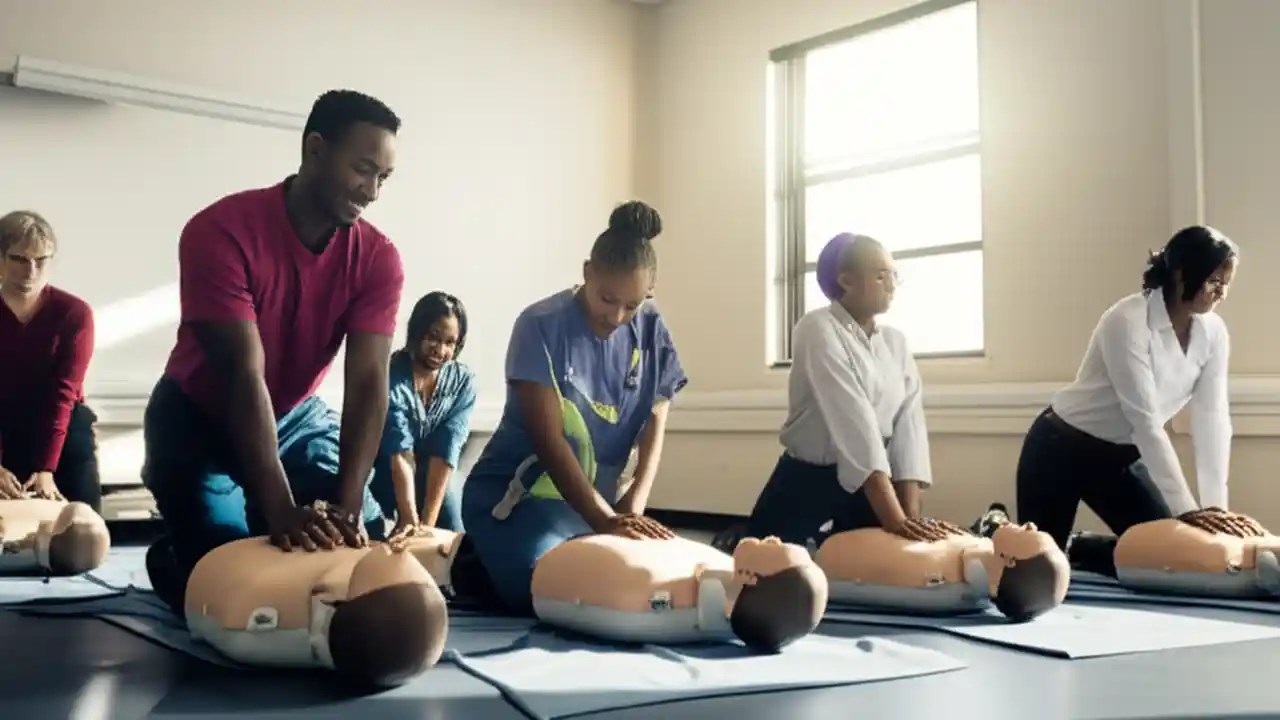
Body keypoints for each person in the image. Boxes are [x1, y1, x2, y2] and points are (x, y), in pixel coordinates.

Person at [142, 89, 406, 611]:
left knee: (363, 548)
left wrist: (349, 507)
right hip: (199, 416)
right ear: (315, 150)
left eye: (384, 177)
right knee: (228, 582)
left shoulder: (379, 259)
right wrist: (282, 508)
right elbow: (242, 375)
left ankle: (274, 518)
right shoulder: (218, 231)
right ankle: (175, 556)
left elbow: (370, 382)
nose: (372, 190)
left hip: (295, 416)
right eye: (362, 169)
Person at [457, 200, 689, 615]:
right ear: (586, 272)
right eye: (606, 298)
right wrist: (603, 521)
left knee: (646, 577)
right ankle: (470, 561)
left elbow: (655, 422)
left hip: (595, 506)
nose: (617, 316)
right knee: (557, 589)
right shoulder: (540, 325)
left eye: (632, 305)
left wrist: (633, 505)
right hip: (515, 501)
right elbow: (549, 442)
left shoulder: (652, 329)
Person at [1008, 225, 1238, 575]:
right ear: (1180, 273)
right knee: (1040, 572)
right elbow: (1145, 422)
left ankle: (1081, 546)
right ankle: (997, 532)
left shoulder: (1213, 333)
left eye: (1227, 283)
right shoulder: (1127, 320)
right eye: (1213, 281)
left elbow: (1212, 418)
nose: (1221, 292)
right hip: (1059, 447)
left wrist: (1214, 510)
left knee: (1172, 556)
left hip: (1119, 458)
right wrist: (1188, 511)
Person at [743, 233, 941, 550]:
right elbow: (855, 423)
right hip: (808, 479)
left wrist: (910, 518)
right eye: (880, 276)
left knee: (883, 565)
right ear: (846, 282)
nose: (892, 284)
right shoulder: (816, 328)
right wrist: (895, 521)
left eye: (893, 274)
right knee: (762, 566)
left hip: (872, 481)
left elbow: (909, 429)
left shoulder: (895, 342)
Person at [0, 211, 100, 513]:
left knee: (84, 529)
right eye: (19, 259)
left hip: (60, 423)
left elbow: (64, 393)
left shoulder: (74, 313)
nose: (30, 271)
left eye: (41, 260)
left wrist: (46, 469)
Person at [369, 291, 477, 536]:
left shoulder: (463, 383)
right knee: (376, 531)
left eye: (450, 342)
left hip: (435, 480)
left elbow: (446, 452)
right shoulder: (391, 375)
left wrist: (426, 527)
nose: (440, 350)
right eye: (433, 337)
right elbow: (400, 450)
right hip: (387, 474)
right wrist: (408, 518)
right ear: (417, 333)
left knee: (452, 536)